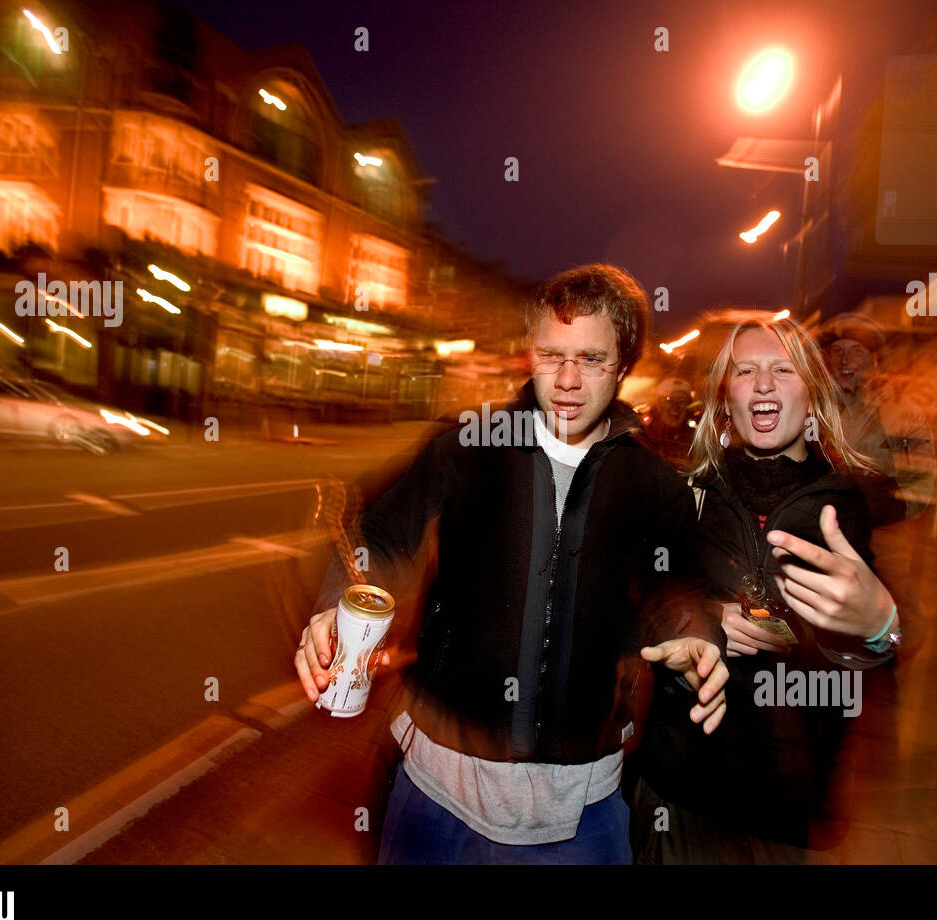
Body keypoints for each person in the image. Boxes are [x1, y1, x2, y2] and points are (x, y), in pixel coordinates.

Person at [295, 263, 729, 864]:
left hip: (582, 811)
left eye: (593, 360)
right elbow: (376, 538)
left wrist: (698, 637)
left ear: (624, 365)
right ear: (531, 353)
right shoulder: (467, 446)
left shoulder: (658, 488)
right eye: (552, 355)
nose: (568, 380)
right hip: (435, 794)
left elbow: (682, 593)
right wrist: (331, 610)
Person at [628, 315, 902, 864]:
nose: (764, 383)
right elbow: (637, 606)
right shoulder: (687, 494)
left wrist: (879, 628)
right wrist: (703, 619)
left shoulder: (843, 508)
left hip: (783, 804)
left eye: (784, 369)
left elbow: (874, 663)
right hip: (681, 789)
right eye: (746, 370)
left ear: (814, 400)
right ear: (726, 400)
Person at [822, 313, 937, 521]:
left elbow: (922, 483)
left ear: (874, 359)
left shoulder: (902, 412)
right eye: (837, 351)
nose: (845, 360)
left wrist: (883, 511)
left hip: (877, 537)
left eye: (856, 351)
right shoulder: (812, 406)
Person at [643, 376, 697, 466]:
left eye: (682, 400)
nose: (675, 406)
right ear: (659, 405)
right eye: (669, 399)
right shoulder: (645, 438)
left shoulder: (696, 439)